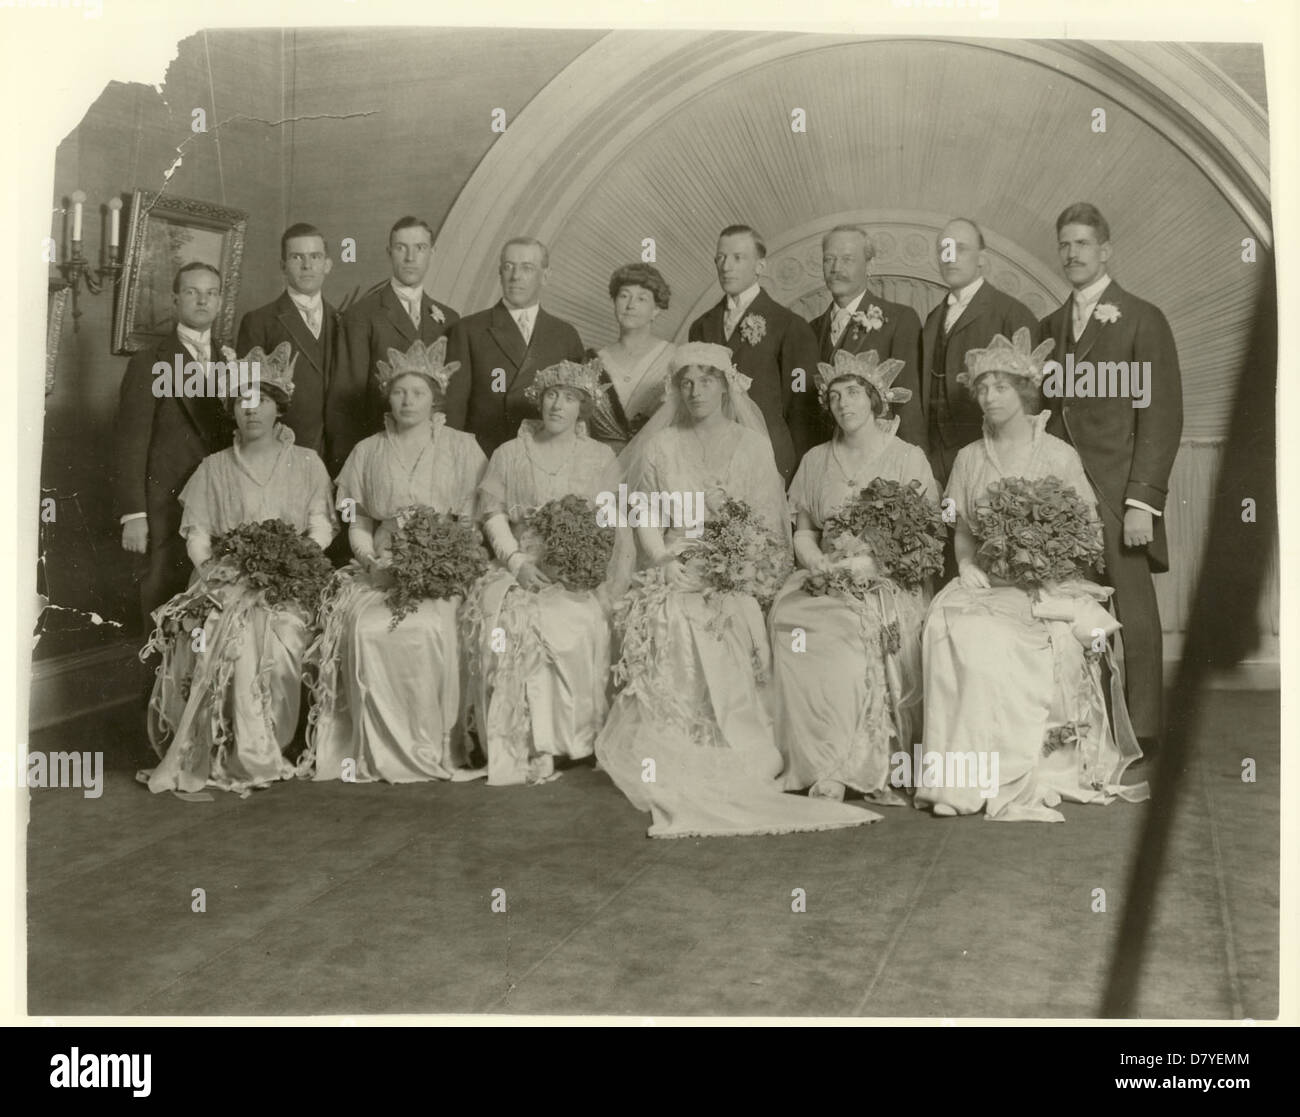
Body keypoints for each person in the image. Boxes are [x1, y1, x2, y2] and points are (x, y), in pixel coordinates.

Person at [595, 342, 878, 838]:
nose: (696, 390)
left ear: (726, 387)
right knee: (673, 612)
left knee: (732, 613)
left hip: (734, 566)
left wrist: (736, 566)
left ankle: (744, 744)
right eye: (687, 382)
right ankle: (681, 738)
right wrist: (662, 558)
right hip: (676, 562)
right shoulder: (662, 446)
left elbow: (769, 524)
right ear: (676, 390)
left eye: (707, 380)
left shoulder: (750, 445)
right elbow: (644, 514)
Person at [915, 329, 1148, 822]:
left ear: (1023, 390)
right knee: (948, 626)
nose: (990, 397)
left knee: (998, 640)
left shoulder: (1059, 456)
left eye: (1001, 387)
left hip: (1047, 584)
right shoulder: (967, 459)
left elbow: (1084, 529)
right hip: (988, 582)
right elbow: (958, 529)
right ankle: (957, 781)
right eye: (982, 389)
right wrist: (968, 564)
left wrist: (1047, 565)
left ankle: (1011, 772)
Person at [142, 342, 337, 794]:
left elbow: (321, 527)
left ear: (278, 408)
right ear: (232, 410)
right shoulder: (213, 468)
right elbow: (197, 535)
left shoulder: (307, 463)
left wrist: (290, 561)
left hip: (290, 580)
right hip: (223, 580)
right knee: (224, 629)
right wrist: (216, 571)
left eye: (262, 401)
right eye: (242, 402)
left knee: (282, 634)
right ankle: (230, 748)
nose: (252, 411)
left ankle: (269, 742)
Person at [302, 337, 487, 783]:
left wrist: (442, 558)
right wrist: (369, 560)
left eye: (418, 393)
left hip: (445, 568)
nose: (407, 401)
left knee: (431, 629)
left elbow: (471, 521)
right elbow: (359, 520)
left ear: (434, 398)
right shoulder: (367, 451)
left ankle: (436, 745)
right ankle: (375, 748)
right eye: (400, 392)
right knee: (366, 629)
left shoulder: (463, 448)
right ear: (388, 396)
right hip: (382, 567)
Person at [1041, 202, 1183, 754]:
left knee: (1134, 612)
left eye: (1082, 243)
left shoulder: (1143, 318)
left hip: (1119, 491)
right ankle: (1096, 721)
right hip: (1065, 495)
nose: (1072, 253)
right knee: (1080, 609)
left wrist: (1142, 502)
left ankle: (1144, 728)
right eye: (1065, 244)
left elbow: (1162, 415)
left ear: (1106, 250)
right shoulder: (1050, 326)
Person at [770, 349, 938, 804]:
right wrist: (812, 559)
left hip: (883, 581)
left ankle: (843, 765)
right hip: (824, 575)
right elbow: (803, 528)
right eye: (836, 396)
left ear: (876, 399)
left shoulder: (906, 458)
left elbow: (923, 535)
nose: (844, 405)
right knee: (791, 624)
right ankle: (802, 759)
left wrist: (871, 564)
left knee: (844, 633)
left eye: (855, 394)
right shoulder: (815, 459)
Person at [466, 360, 620, 785]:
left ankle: (568, 741)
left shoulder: (600, 456)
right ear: (539, 399)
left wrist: (579, 563)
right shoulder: (509, 453)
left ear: (583, 408)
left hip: (574, 571)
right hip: (519, 565)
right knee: (511, 626)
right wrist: (516, 562)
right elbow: (493, 515)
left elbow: (607, 521)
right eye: (552, 395)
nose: (558, 405)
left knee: (574, 624)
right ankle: (526, 743)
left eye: (570, 398)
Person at [115, 261, 230, 629]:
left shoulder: (234, 359)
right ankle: (155, 688)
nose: (202, 300)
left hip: (219, 500)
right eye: (193, 292)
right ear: (175, 299)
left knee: (214, 605)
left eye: (211, 293)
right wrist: (134, 514)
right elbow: (130, 441)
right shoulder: (150, 361)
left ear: (220, 301)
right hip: (166, 503)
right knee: (163, 601)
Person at [688, 225, 820, 484]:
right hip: (709, 455)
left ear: (760, 266)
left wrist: (798, 475)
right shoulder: (701, 326)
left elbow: (800, 407)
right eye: (721, 258)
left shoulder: (790, 325)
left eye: (738, 258)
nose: (726, 267)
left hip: (770, 456)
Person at [329, 216, 459, 471]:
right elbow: (345, 399)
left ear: (432, 253)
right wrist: (348, 466)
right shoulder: (362, 315)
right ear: (389, 253)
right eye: (401, 248)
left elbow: (452, 398)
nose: (410, 258)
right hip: (380, 454)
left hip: (434, 458)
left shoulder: (449, 319)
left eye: (419, 248)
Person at [920, 218, 1038, 485]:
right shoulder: (933, 319)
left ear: (982, 258)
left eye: (960, 248)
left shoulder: (1012, 313)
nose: (950, 257)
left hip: (991, 462)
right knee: (945, 523)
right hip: (936, 463)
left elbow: (1031, 403)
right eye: (944, 250)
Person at [445, 236, 586, 457]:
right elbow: (453, 413)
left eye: (527, 268)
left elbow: (578, 413)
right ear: (500, 274)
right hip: (484, 456)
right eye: (508, 267)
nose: (515, 276)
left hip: (547, 457)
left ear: (545, 276)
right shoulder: (468, 330)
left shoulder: (565, 335)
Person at [807, 225, 926, 450]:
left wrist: (915, 470)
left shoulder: (900, 320)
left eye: (847, 259)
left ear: (869, 265)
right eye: (828, 259)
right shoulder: (808, 331)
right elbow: (800, 401)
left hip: (881, 456)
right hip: (825, 458)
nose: (835, 268)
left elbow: (910, 405)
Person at [236, 222, 340, 459]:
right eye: (296, 257)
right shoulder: (259, 321)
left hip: (336, 454)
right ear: (283, 266)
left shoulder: (344, 322)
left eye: (315, 256)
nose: (307, 265)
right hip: (282, 451)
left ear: (327, 265)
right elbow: (248, 399)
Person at [587, 263, 677, 453]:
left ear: (656, 310)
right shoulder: (593, 361)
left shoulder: (674, 357)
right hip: (604, 466)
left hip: (656, 464)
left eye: (642, 299)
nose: (630, 305)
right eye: (624, 296)